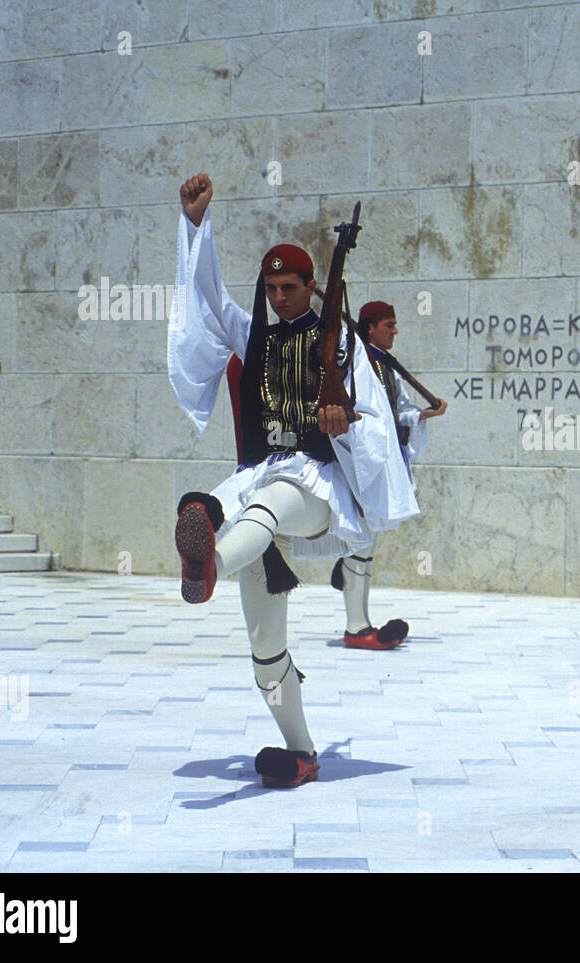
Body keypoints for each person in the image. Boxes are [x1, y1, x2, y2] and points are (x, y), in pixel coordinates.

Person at [168, 172, 418, 789]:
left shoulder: (342, 346)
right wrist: (196, 226)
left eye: (290, 288)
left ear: (313, 287)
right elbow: (205, 301)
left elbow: (373, 423)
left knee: (272, 503)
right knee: (265, 651)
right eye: (271, 288)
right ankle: (302, 753)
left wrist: (343, 422)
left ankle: (207, 568)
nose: (279, 297)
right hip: (258, 480)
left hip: (316, 487)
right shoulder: (255, 333)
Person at [329, 300, 447, 650]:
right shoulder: (355, 364)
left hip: (381, 459)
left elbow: (399, 414)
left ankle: (356, 611)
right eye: (389, 325)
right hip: (358, 459)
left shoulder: (385, 367)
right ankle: (356, 626)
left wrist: (426, 414)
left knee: (368, 539)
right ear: (370, 329)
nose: (395, 330)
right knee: (362, 540)